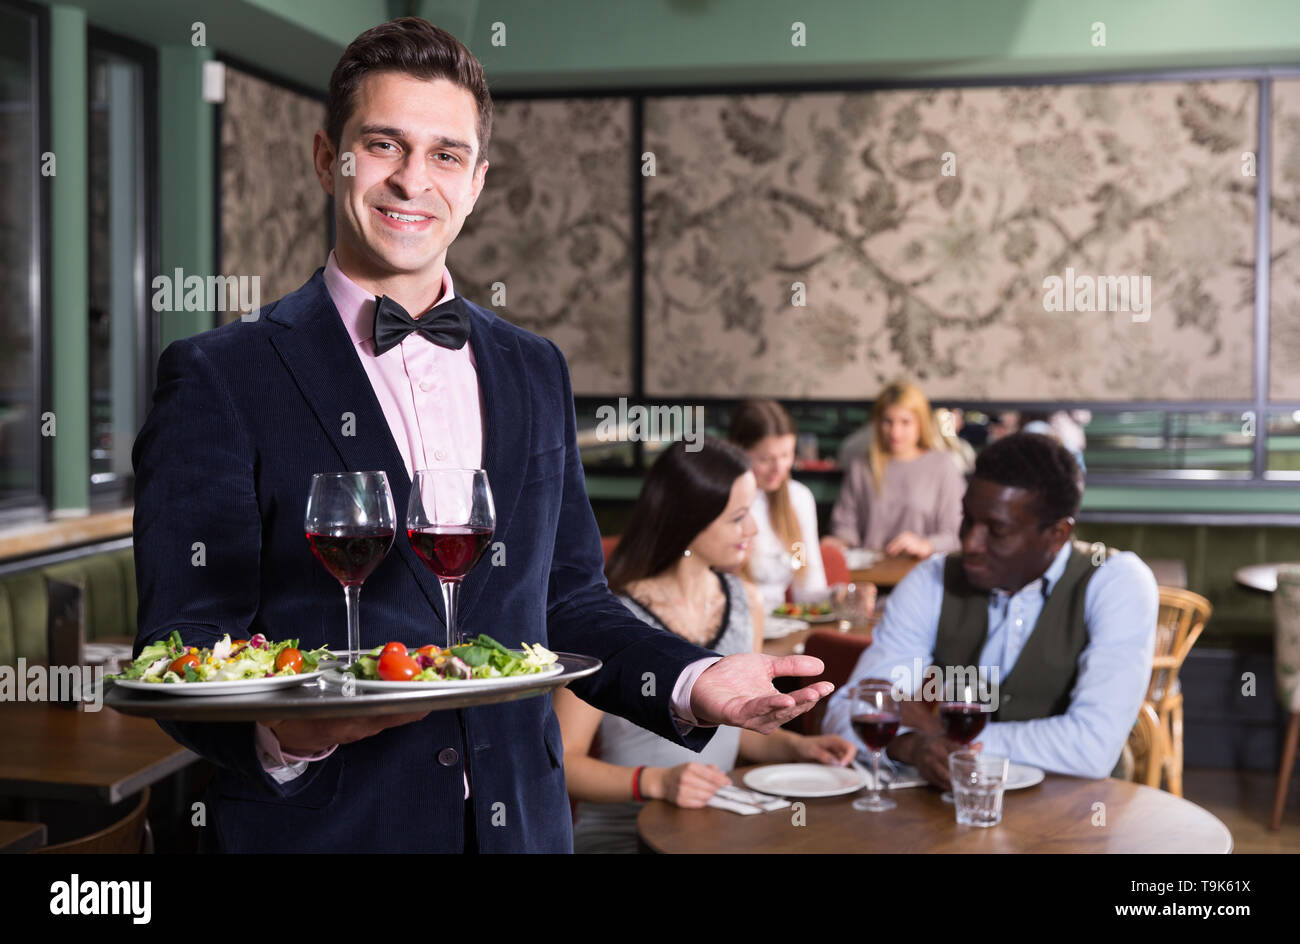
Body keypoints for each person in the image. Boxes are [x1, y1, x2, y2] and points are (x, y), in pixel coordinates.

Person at [131, 17, 831, 854]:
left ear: (478, 180)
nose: (411, 181)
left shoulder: (535, 370)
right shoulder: (220, 376)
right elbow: (182, 647)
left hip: (525, 828)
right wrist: (293, 733)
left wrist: (696, 677)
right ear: (329, 160)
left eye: (445, 155)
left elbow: (569, 604)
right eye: (383, 146)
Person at [556, 438, 856, 853]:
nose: (753, 529)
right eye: (738, 517)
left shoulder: (745, 600)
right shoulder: (610, 624)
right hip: (624, 834)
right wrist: (655, 782)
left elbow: (734, 730)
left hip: (713, 831)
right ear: (689, 521)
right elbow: (563, 761)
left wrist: (799, 746)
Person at [822, 433, 1158, 785]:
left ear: (1058, 534)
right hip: (951, 810)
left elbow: (1092, 747)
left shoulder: (1116, 582)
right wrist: (909, 745)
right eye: (967, 520)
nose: (970, 544)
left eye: (996, 530)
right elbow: (850, 710)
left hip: (1080, 813)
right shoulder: (933, 579)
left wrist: (938, 734)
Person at [829, 380, 966, 558]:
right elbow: (845, 527)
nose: (895, 432)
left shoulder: (943, 466)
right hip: (871, 574)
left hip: (923, 572)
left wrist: (925, 544)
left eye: (905, 422)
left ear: (920, 423)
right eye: (888, 421)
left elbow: (957, 534)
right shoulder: (862, 466)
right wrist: (836, 543)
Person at [726, 400, 828, 612]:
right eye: (765, 459)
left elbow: (805, 577)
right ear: (738, 451)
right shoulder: (722, 498)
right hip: (734, 619)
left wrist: (838, 596)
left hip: (783, 626)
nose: (779, 468)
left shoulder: (798, 499)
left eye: (786, 455)